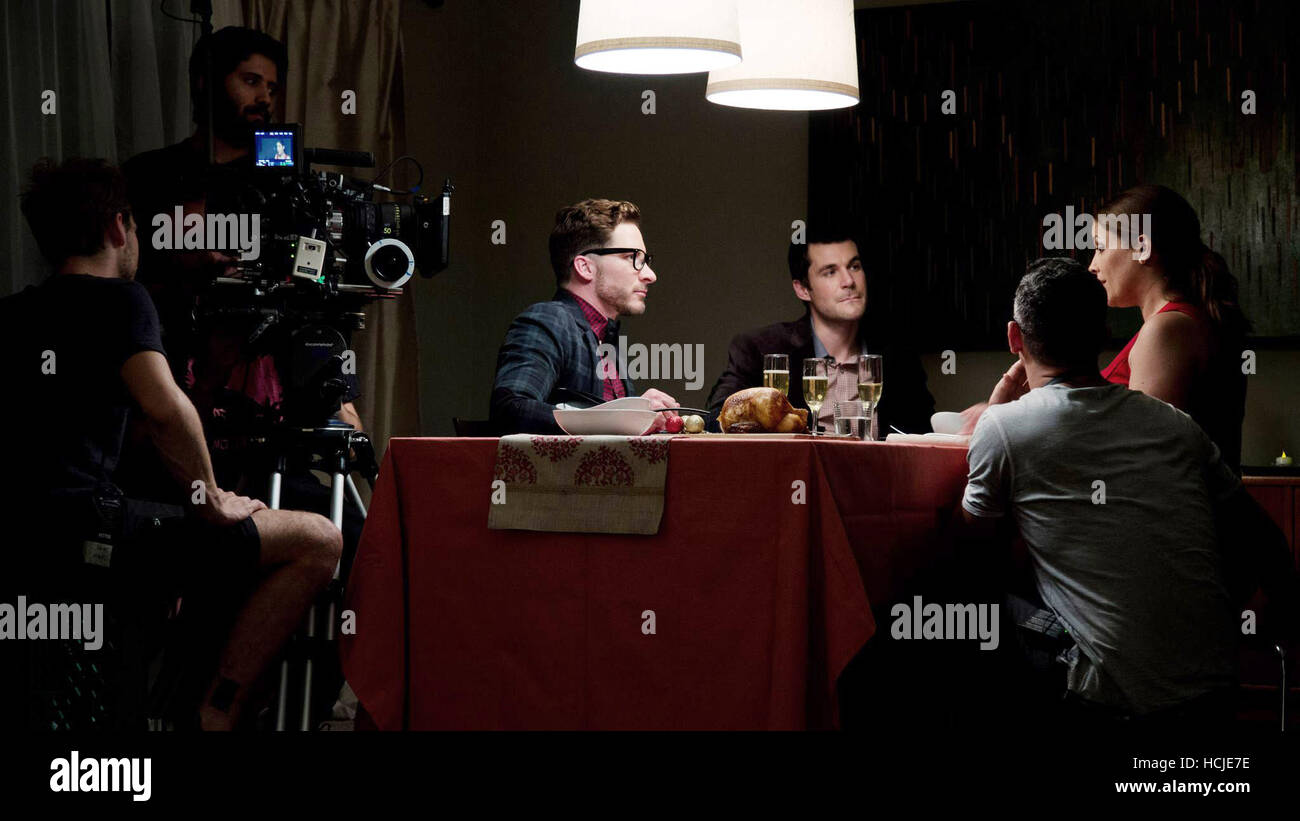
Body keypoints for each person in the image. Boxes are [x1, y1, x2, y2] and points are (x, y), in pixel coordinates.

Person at [5, 158, 341, 730]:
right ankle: (216, 713)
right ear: (118, 227)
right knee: (319, 538)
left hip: (34, 536)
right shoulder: (123, 300)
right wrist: (209, 497)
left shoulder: (16, 312)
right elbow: (165, 409)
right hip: (96, 530)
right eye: (135, 225)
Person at [959, 257, 1296, 725]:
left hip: (1112, 698)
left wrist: (996, 413)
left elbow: (975, 552)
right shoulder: (1175, 425)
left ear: (1015, 338)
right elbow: (1270, 545)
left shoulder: (1006, 427)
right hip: (1215, 693)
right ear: (1103, 338)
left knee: (960, 605)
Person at [120, 26, 364, 553]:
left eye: (272, 88)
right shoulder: (150, 175)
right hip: (173, 391)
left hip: (272, 401)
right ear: (207, 82)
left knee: (342, 533)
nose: (263, 98)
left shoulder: (290, 188)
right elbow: (123, 277)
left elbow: (314, 288)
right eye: (250, 80)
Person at [706, 223, 934, 434]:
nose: (849, 281)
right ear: (803, 289)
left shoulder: (898, 355)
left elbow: (924, 437)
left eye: (854, 266)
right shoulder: (761, 349)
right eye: (830, 272)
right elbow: (716, 421)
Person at [1090, 184, 1251, 472]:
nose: (1092, 265)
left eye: (1101, 248)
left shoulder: (1168, 330)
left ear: (1142, 247)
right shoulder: (1182, 322)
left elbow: (1145, 456)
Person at [490, 198, 678, 434]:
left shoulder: (606, 338)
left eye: (645, 261)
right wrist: (625, 417)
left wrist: (634, 417)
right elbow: (509, 410)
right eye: (633, 258)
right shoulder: (548, 320)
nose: (650, 275)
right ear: (585, 267)